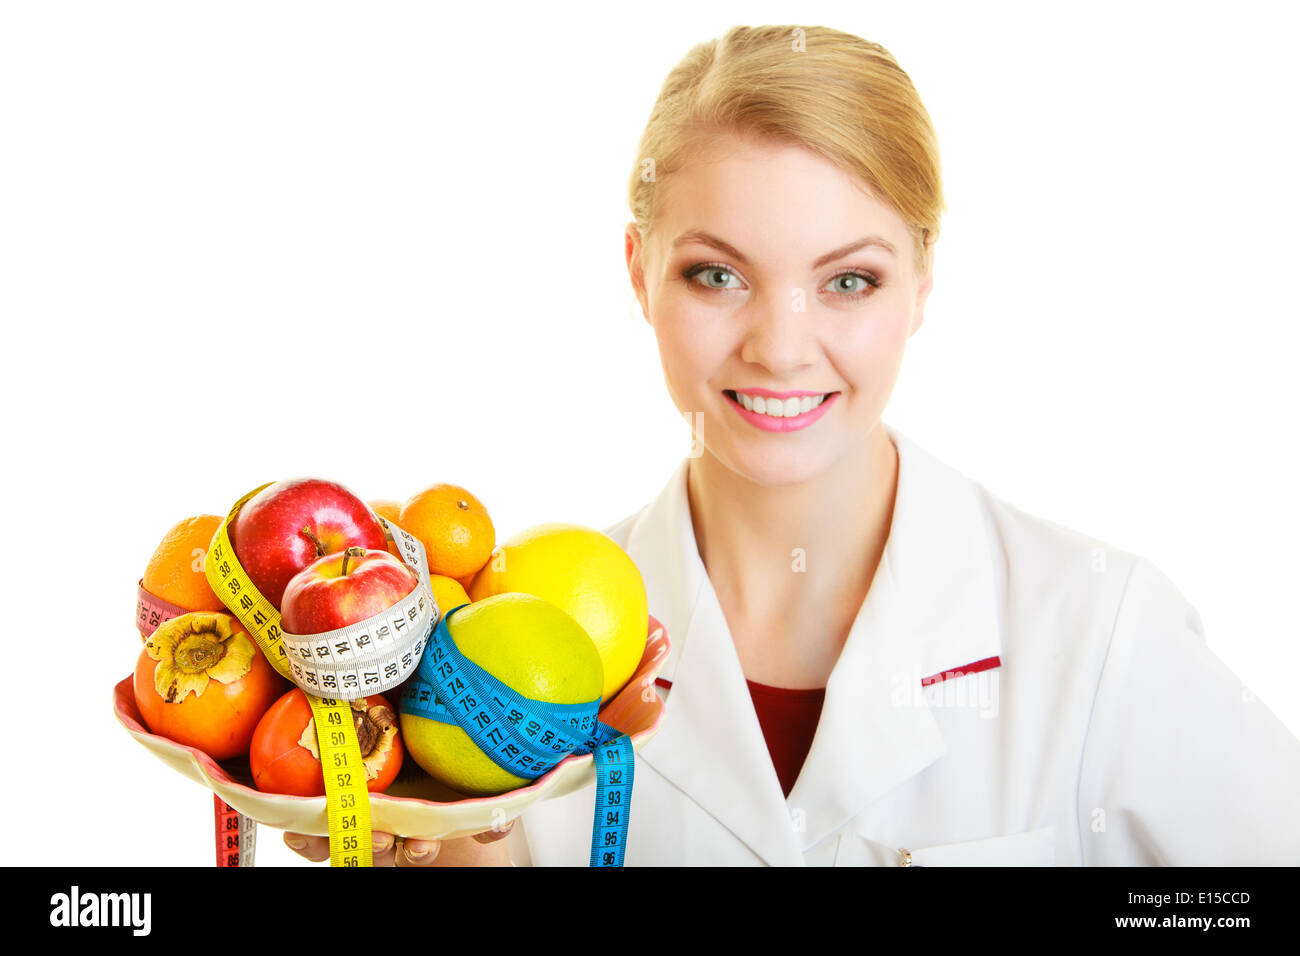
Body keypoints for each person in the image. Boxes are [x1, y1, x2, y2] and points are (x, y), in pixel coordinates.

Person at [287, 23, 1300, 866]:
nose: (778, 346)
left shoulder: (1094, 628)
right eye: (715, 275)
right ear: (637, 270)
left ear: (921, 281)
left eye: (848, 280)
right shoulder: (482, 673)